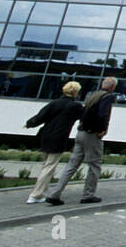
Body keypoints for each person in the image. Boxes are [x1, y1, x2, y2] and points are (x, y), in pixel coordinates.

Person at [45, 77, 117, 205]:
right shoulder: (107, 97)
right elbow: (103, 114)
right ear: (112, 87)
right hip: (92, 134)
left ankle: (54, 193)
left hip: (81, 132)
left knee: (72, 165)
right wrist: (103, 129)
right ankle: (88, 195)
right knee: (94, 165)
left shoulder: (92, 95)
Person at [23, 81, 84, 204]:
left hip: (46, 135)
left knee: (46, 164)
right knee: (49, 166)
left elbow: (41, 116)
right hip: (59, 137)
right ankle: (36, 194)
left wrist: (29, 123)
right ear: (75, 92)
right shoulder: (76, 106)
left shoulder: (54, 103)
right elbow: (85, 118)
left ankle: (41, 193)